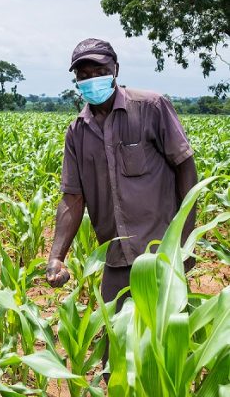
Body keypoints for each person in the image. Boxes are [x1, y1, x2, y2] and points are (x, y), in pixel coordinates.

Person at [46, 38, 198, 316]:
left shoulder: (151, 107)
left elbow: (185, 168)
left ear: (115, 69)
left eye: (99, 72)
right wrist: (56, 256)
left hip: (160, 254)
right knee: (113, 347)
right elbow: (72, 197)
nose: (91, 79)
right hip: (116, 259)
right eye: (84, 75)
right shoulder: (77, 132)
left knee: (166, 344)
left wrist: (185, 244)